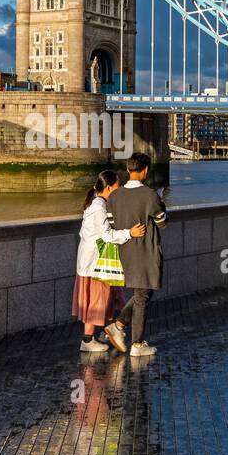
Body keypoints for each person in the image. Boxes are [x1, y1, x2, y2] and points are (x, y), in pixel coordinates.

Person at [72, 170, 145, 353]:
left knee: (111, 297)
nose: (119, 190)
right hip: (96, 264)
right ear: (109, 187)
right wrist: (130, 233)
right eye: (118, 186)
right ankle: (88, 341)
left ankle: (111, 332)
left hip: (95, 261)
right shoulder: (98, 208)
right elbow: (106, 235)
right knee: (97, 301)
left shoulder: (98, 203)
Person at [107, 151, 168, 357]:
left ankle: (119, 325)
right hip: (146, 251)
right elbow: (162, 222)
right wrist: (162, 204)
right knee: (143, 295)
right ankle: (137, 343)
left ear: (128, 169)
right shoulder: (150, 195)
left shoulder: (114, 196)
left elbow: (112, 225)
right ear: (146, 170)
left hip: (125, 250)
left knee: (143, 292)